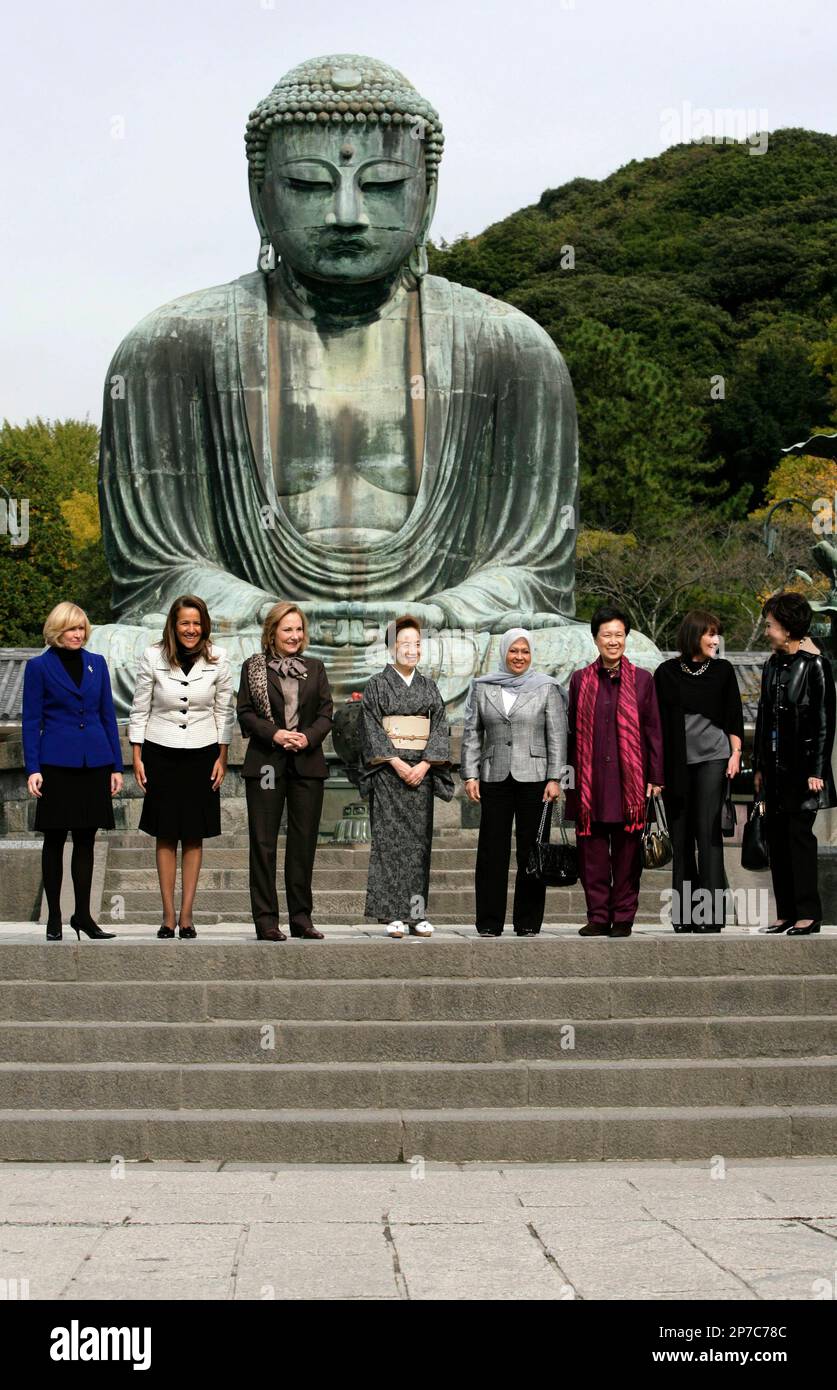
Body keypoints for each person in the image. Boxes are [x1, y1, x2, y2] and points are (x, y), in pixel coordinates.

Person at [129, 596, 234, 939]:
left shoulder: (219, 659)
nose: (191, 630)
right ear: (174, 626)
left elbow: (224, 711)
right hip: (160, 751)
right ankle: (168, 915)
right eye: (184, 623)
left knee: (193, 834)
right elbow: (140, 708)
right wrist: (136, 754)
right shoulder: (152, 656)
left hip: (202, 753)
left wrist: (222, 756)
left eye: (197, 623)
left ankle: (187, 915)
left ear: (204, 625)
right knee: (165, 834)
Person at [22, 602, 123, 941]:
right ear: (56, 631)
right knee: (54, 839)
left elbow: (108, 716)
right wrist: (33, 768)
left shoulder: (97, 664)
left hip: (94, 762)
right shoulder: (38, 668)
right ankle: (54, 917)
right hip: (56, 763)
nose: (77, 634)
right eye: (70, 628)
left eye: (81, 628)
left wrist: (115, 765)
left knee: (86, 839)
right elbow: (31, 721)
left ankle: (83, 916)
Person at [566, 605, 664, 938]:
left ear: (627, 638)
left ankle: (623, 915)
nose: (613, 641)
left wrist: (656, 777)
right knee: (591, 856)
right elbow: (569, 734)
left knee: (627, 856)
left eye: (618, 635)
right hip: (590, 784)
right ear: (595, 639)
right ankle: (597, 916)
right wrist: (568, 781)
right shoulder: (580, 680)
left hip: (630, 786)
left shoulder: (642, 681)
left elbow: (654, 732)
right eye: (606, 635)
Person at [461, 629, 566, 937]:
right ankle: (489, 922)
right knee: (491, 852)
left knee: (532, 851)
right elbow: (471, 733)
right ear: (504, 652)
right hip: (494, 777)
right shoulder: (483, 687)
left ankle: (528, 921)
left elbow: (557, 735)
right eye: (513, 651)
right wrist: (470, 774)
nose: (519, 656)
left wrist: (555, 777)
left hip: (536, 778)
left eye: (525, 651)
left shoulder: (546, 687)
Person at [237, 603, 333, 941]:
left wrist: (307, 737)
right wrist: (275, 734)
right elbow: (246, 713)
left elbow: (326, 714)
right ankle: (266, 921)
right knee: (263, 842)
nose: (294, 636)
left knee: (303, 843)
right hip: (266, 761)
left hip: (307, 764)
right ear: (272, 632)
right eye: (287, 629)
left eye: (299, 630)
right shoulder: (254, 668)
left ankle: (301, 918)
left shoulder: (316, 667)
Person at [360, 616, 453, 937]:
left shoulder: (429, 687)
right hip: (389, 772)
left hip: (422, 773)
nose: (412, 650)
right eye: (405, 644)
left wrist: (426, 765)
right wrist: (397, 763)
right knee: (389, 843)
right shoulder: (376, 685)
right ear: (391, 648)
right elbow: (371, 726)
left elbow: (440, 726)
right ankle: (392, 915)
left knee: (418, 845)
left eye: (417, 644)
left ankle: (416, 913)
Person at [654, 610, 744, 932]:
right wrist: (656, 773)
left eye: (716, 634)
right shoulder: (665, 673)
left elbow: (734, 716)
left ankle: (711, 916)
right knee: (681, 838)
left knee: (707, 834)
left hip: (713, 759)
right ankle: (684, 915)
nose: (715, 640)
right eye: (710, 634)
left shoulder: (722, 671)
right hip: (677, 765)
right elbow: (657, 726)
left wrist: (735, 754)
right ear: (694, 635)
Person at [754, 591, 836, 935]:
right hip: (774, 770)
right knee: (776, 838)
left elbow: (823, 722)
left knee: (799, 838)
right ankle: (785, 911)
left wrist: (818, 771)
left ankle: (808, 913)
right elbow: (762, 719)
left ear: (788, 628)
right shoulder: (773, 665)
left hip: (804, 773)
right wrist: (758, 766)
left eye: (770, 624)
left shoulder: (815, 665)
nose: (767, 630)